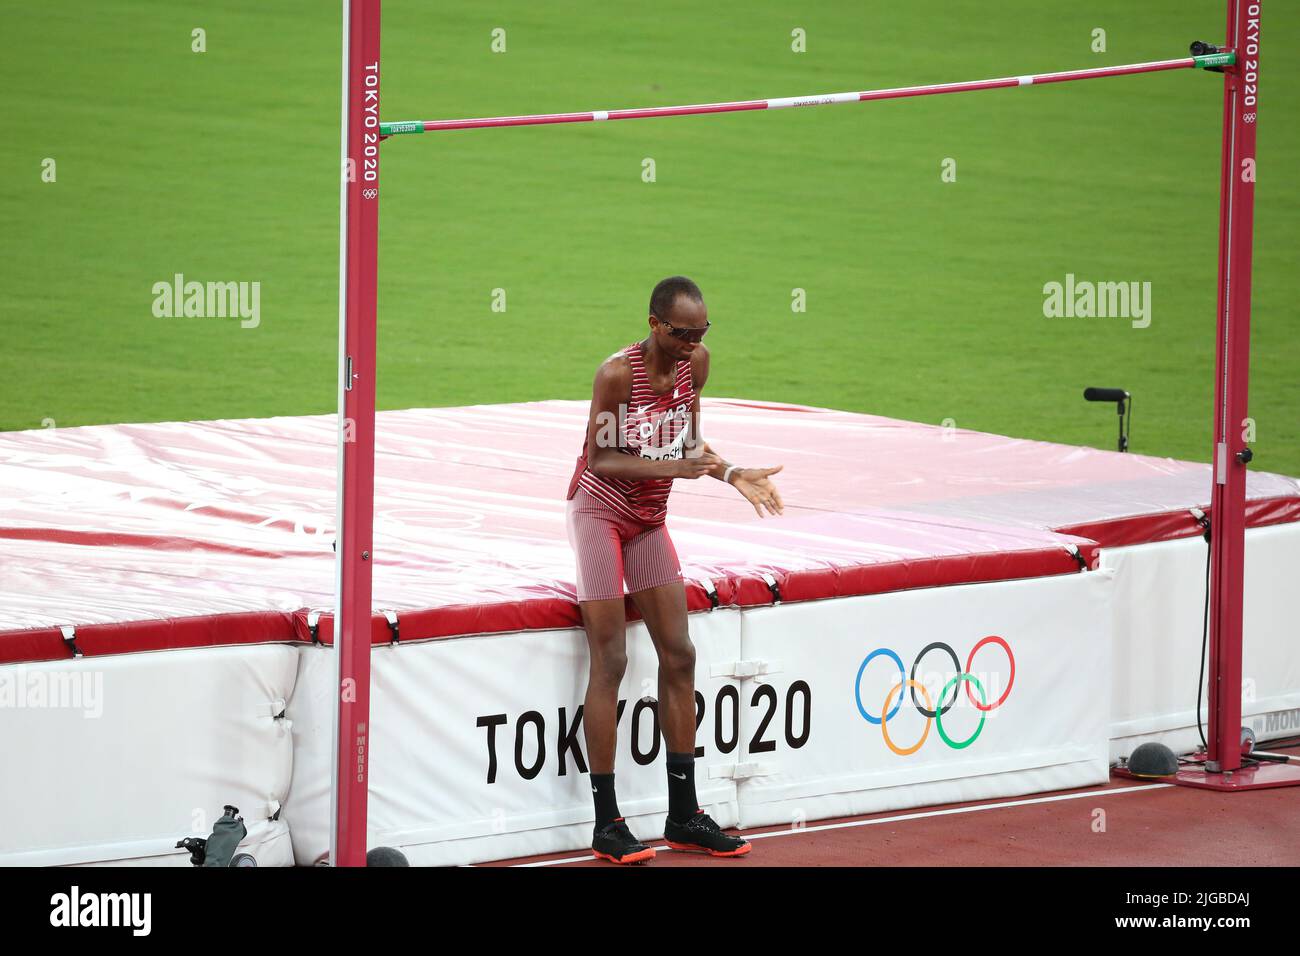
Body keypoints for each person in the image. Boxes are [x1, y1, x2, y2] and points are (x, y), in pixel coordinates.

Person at [564, 275, 785, 863]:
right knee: (611, 657)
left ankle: (683, 814)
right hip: (601, 515)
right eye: (683, 332)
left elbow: (689, 444)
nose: (693, 341)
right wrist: (668, 462)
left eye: (702, 330)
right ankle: (607, 822)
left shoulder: (696, 366)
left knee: (680, 654)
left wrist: (732, 473)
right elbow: (601, 457)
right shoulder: (617, 374)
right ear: (655, 324)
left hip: (650, 519)